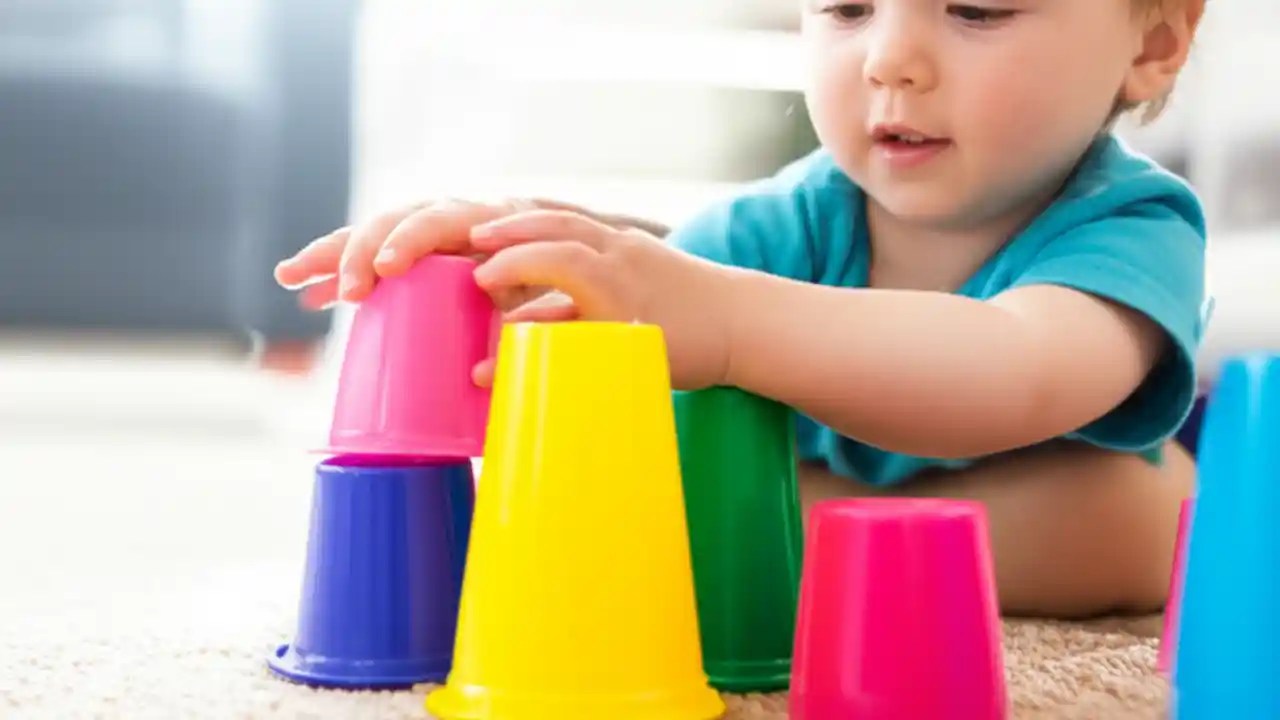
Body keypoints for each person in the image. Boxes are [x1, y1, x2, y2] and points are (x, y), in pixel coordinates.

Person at [275, 0, 1209, 618]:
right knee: (662, 479)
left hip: (1057, 508)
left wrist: (723, 322)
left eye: (976, 8)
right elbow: (660, 290)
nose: (890, 57)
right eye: (846, 7)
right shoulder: (789, 221)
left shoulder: (1133, 225)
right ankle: (806, 548)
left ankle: (805, 552)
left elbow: (1019, 365)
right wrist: (523, 254)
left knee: (1140, 515)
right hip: (801, 507)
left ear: (1154, 40)